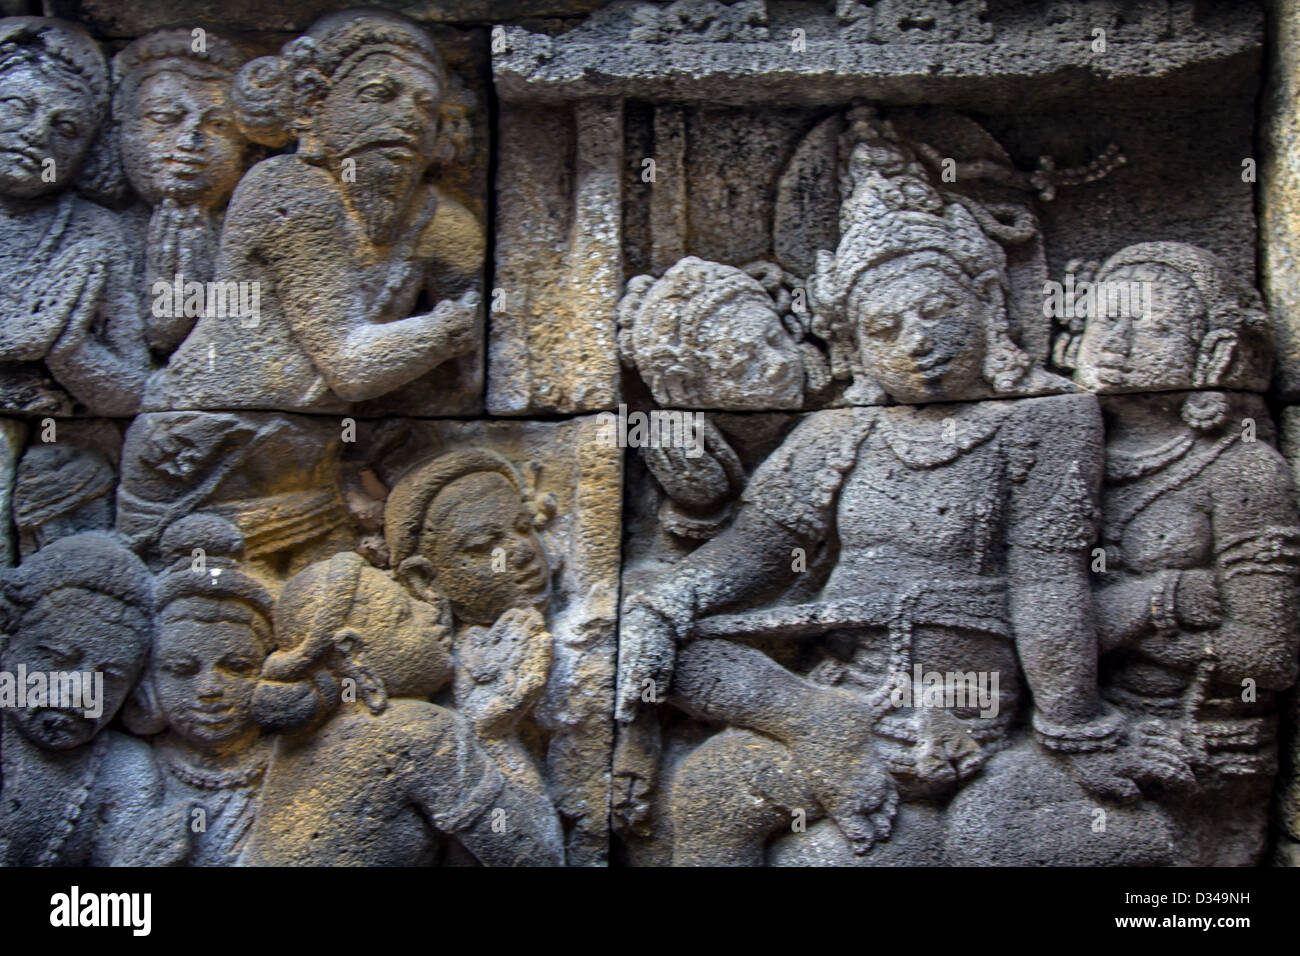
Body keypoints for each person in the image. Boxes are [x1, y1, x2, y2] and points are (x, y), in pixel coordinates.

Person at [146, 9, 482, 412]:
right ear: (312, 104)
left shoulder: (438, 219)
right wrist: (450, 329)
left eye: (426, 106)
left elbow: (469, 379)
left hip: (309, 451)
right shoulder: (286, 188)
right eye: (379, 94)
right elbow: (351, 367)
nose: (409, 117)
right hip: (200, 441)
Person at [243, 548, 564, 866]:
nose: (429, 612)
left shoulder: (297, 741)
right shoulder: (415, 732)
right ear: (353, 652)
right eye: (404, 613)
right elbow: (534, 857)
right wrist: (496, 735)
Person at [0, 17, 147, 415]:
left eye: (65, 128)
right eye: (16, 107)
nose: (36, 134)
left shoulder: (91, 231)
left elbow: (133, 389)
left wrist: (69, 349)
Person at [0, 532, 163, 865]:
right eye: (58, 659)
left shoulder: (121, 770)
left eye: (110, 678)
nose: (79, 693)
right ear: (8, 640)